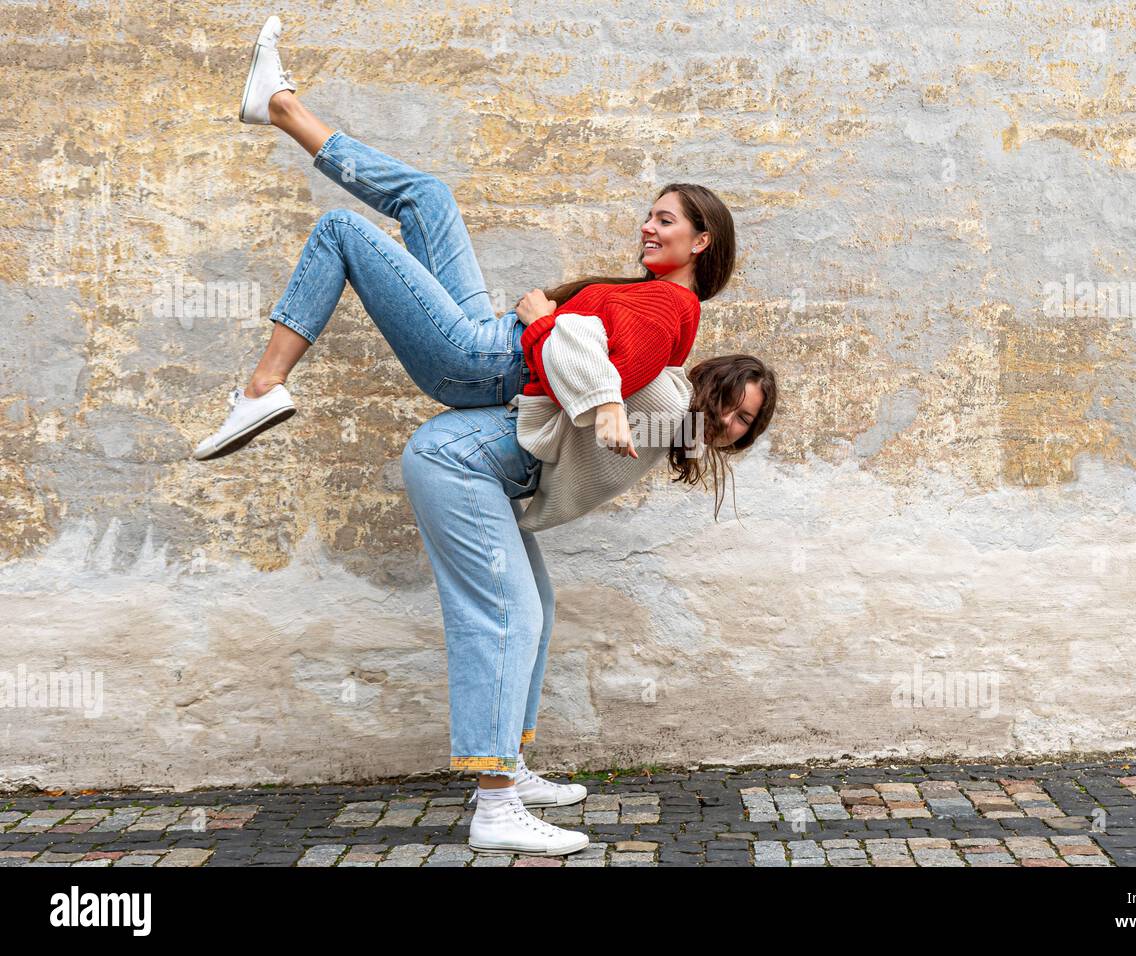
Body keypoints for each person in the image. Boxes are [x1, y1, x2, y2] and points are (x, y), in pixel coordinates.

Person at [206, 16, 779, 855]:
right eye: (650, 216)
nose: (649, 228)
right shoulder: (664, 342)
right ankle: (282, 107)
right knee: (426, 198)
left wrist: (565, 347)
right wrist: (581, 368)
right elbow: (584, 356)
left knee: (518, 609)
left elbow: (579, 357)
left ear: (703, 243)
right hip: (488, 359)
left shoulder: (674, 318)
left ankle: (264, 384)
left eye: (668, 221)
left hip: (487, 366)